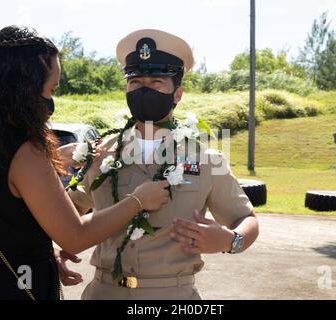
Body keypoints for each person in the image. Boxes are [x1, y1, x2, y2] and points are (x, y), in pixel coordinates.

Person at [0, 26, 170, 300]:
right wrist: (137, 201)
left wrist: (40, 250)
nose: (51, 100)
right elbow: (75, 237)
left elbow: (3, 214)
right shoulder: (27, 152)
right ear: (25, 89)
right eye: (51, 88)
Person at [64, 29, 259, 300]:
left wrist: (230, 241)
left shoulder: (206, 159)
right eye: (135, 82)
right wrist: (56, 247)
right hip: (103, 291)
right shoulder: (100, 153)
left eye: (156, 82)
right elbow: (71, 208)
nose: (144, 89)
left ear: (177, 94)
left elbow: (246, 218)